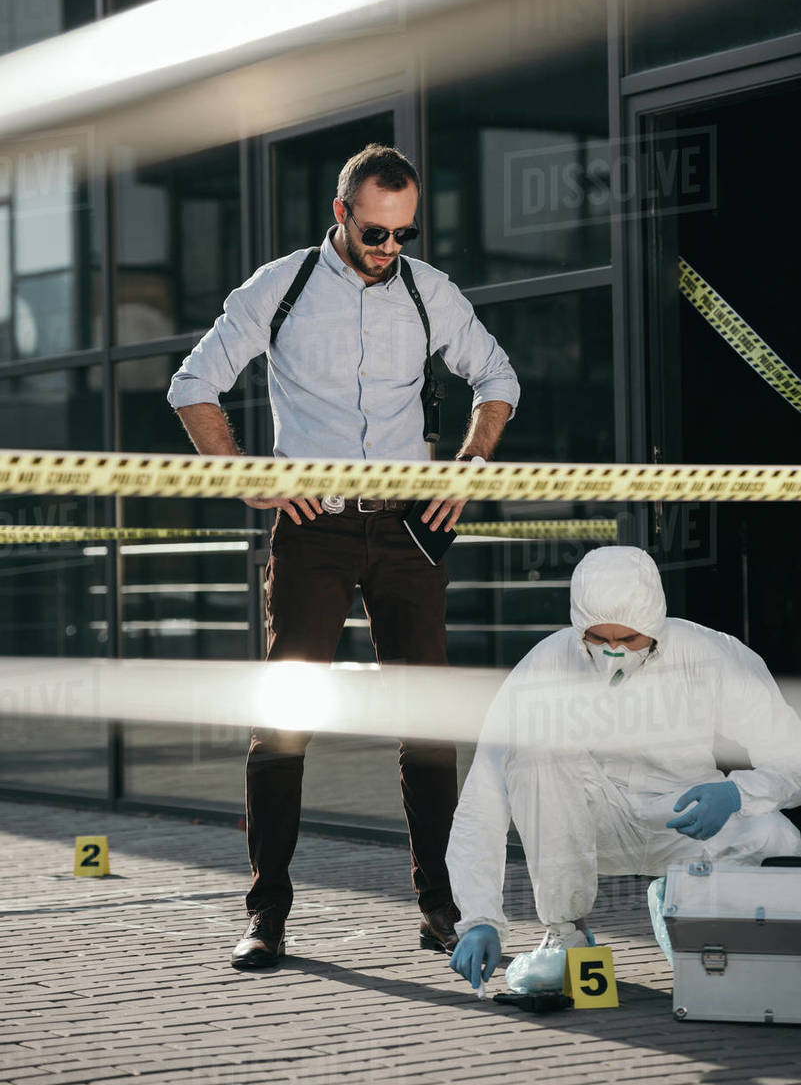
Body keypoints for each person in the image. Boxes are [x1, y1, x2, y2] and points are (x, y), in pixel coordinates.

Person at [167, 143, 520, 970]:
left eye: (403, 233)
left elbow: (496, 377)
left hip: (406, 532)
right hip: (314, 529)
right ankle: (267, 915)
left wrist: (466, 470)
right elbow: (193, 383)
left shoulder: (429, 292)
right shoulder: (281, 287)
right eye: (374, 232)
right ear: (341, 214)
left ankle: (439, 906)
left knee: (425, 723)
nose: (389, 249)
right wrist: (248, 474)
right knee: (284, 725)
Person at [446, 545, 801, 991]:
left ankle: (686, 905)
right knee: (534, 757)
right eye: (599, 638)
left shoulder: (711, 655)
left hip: (685, 815)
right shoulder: (546, 664)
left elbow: (793, 756)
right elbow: (485, 794)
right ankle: (566, 935)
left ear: (654, 625)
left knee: (775, 836)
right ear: (579, 627)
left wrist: (736, 793)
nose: (614, 652)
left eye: (629, 639)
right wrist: (479, 917)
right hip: (592, 821)